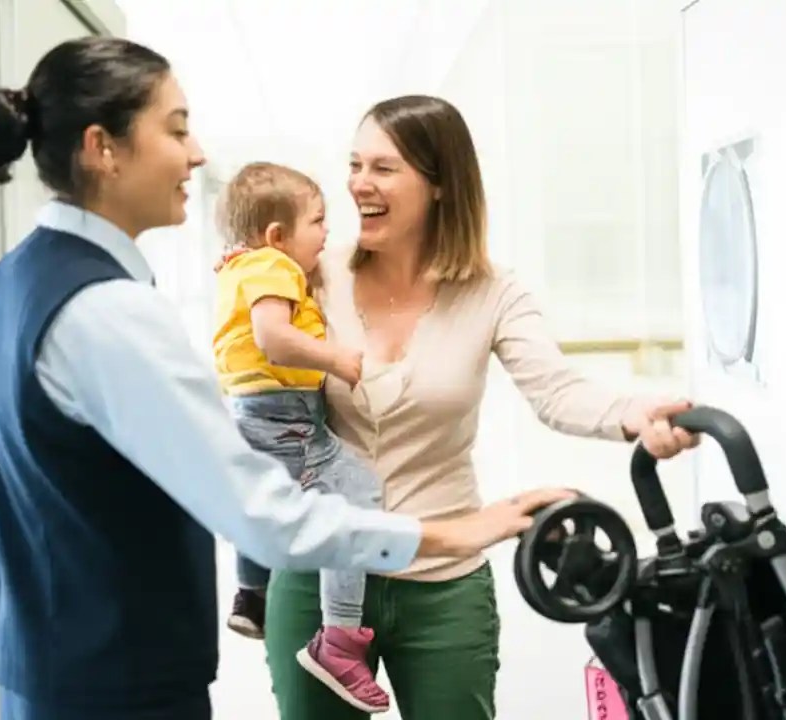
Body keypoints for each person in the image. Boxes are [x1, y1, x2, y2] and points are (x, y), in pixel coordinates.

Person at [0, 41, 574, 720]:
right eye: (176, 129)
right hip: (115, 681)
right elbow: (260, 511)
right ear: (103, 148)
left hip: (51, 664)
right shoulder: (110, 311)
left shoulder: (15, 281)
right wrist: (451, 532)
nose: (195, 154)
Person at [262, 94, 700, 720]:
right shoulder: (312, 276)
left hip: (443, 584)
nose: (360, 184)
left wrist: (637, 412)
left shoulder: (494, 293)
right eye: (354, 165)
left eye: (384, 168)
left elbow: (556, 391)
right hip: (318, 576)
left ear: (440, 183)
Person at [211, 162, 391, 713]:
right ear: (275, 236)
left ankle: (251, 592)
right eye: (318, 221)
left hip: (253, 412)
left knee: (262, 495)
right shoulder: (273, 267)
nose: (327, 232)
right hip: (285, 413)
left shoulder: (245, 266)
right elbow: (273, 339)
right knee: (357, 499)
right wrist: (335, 358)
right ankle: (339, 637)